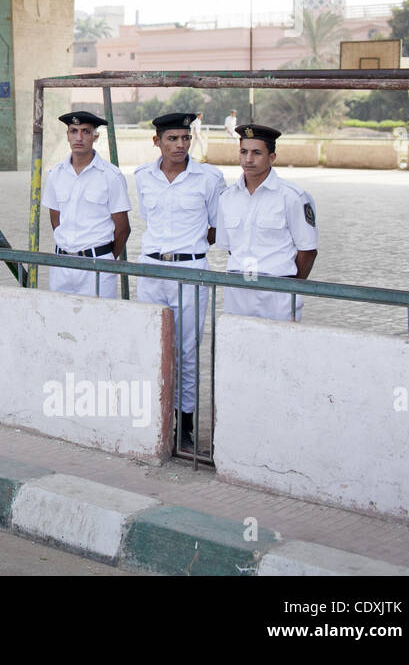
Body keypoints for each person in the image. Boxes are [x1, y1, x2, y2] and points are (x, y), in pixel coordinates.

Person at [133, 113, 225, 451]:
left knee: (186, 352)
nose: (180, 145)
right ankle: (153, 421)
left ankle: (184, 428)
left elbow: (216, 229)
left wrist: (189, 250)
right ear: (157, 141)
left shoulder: (209, 178)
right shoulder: (143, 176)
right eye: (172, 139)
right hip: (152, 272)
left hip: (190, 273)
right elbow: (148, 218)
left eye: (185, 139)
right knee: (152, 347)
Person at [215, 124, 318, 321]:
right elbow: (231, 248)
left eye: (256, 153)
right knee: (238, 348)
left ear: (272, 157)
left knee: (279, 349)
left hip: (277, 292)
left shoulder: (293, 197)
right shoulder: (227, 198)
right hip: (238, 289)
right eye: (243, 152)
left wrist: (289, 287)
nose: (248, 159)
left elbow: (308, 250)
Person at [40, 112, 130, 298]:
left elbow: (123, 228)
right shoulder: (55, 174)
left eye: (86, 131)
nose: (79, 137)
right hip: (62, 263)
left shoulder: (111, 175)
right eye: (74, 131)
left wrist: (104, 257)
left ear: (95, 137)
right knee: (60, 321)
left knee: (98, 323)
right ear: (67, 136)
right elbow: (55, 220)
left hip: (97, 264)